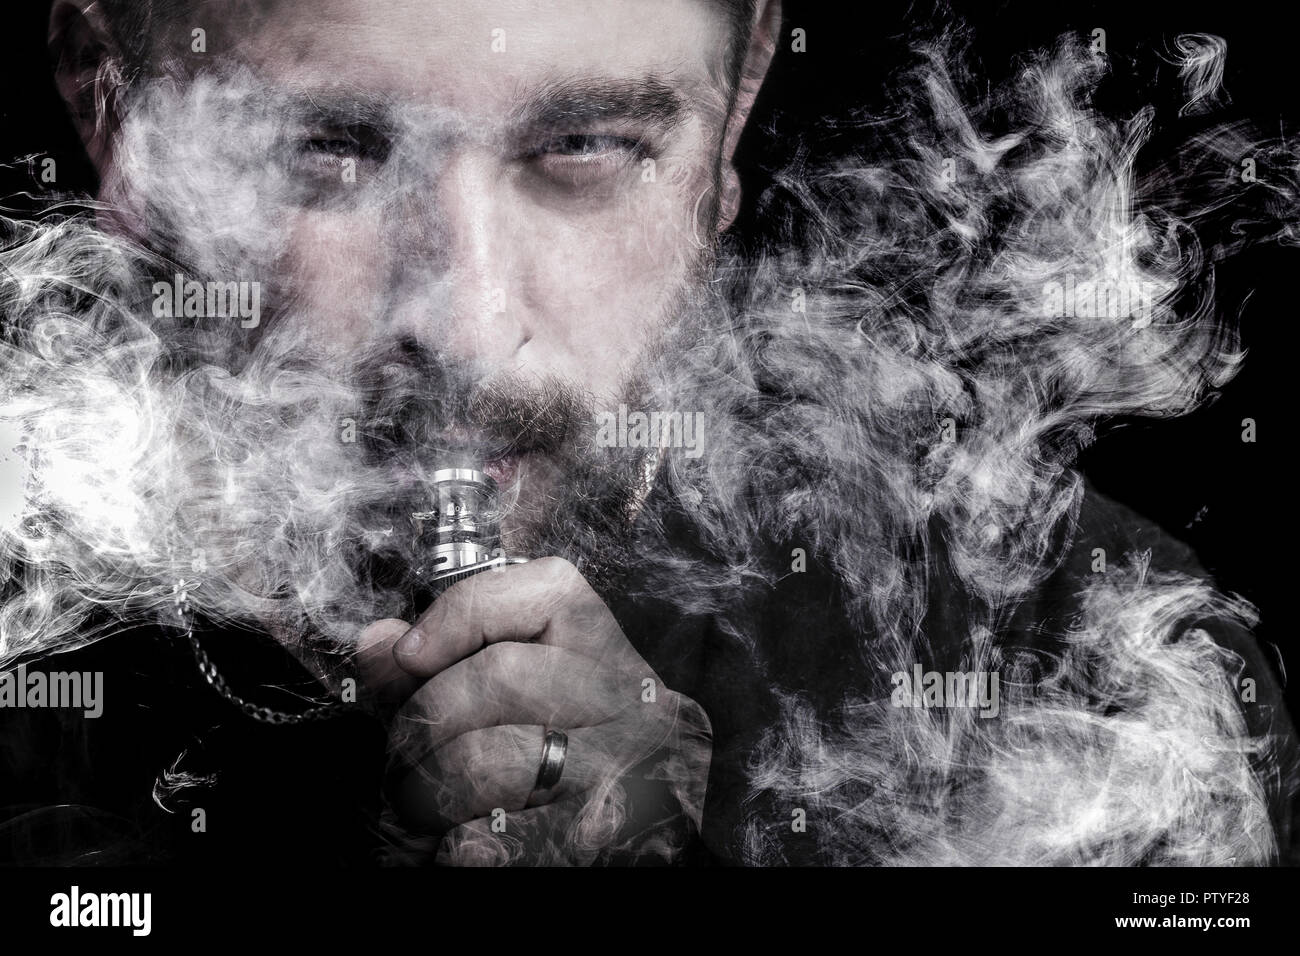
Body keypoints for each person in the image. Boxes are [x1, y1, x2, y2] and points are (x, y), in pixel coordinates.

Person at [0, 0, 1294, 866]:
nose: (469, 328)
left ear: (728, 123)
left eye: (585, 147)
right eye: (327, 152)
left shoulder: (1076, 654)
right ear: (116, 115)